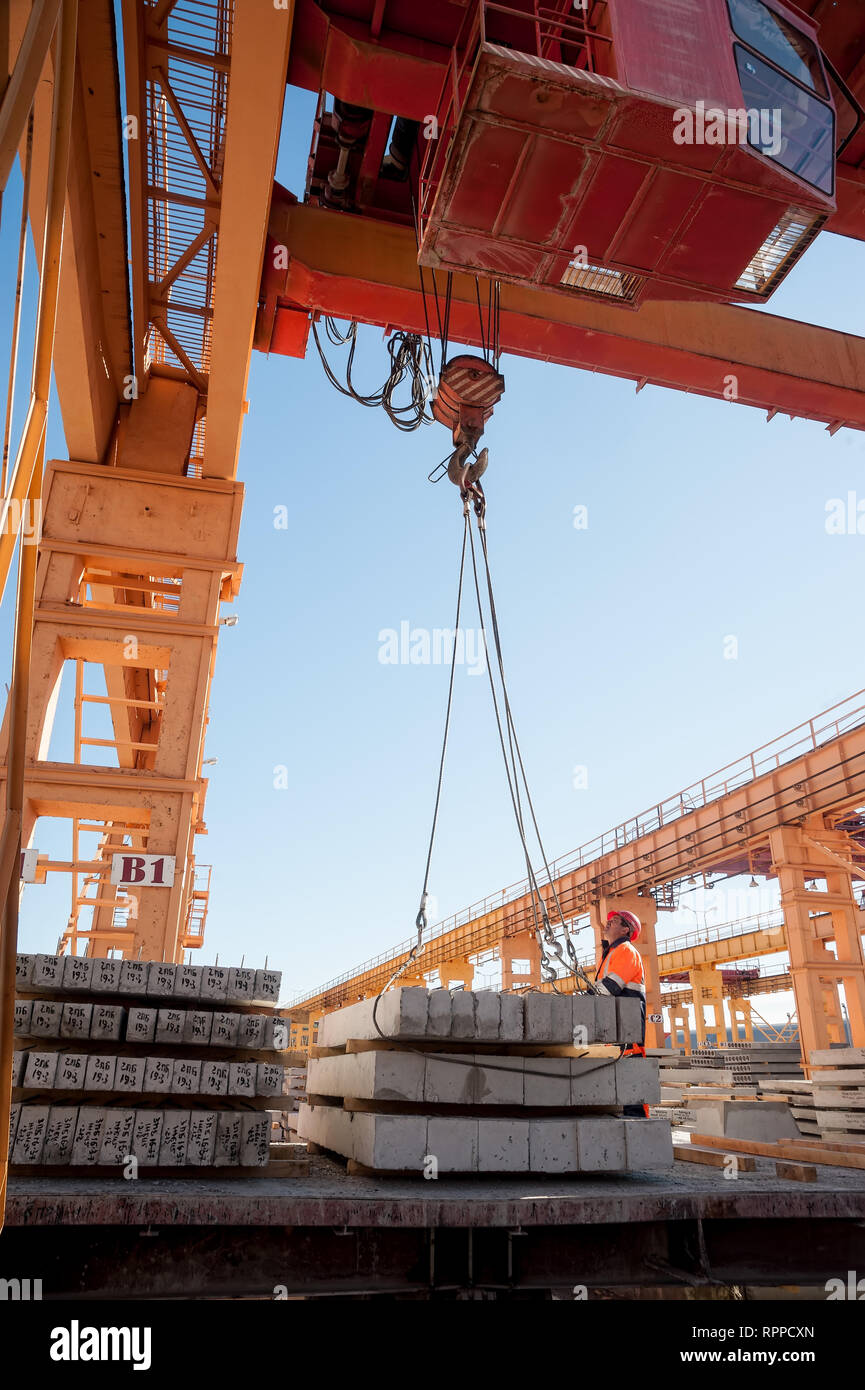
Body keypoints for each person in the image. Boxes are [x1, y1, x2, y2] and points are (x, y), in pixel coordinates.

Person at [593, 910, 648, 1117]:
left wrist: (583, 1001)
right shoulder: (611, 953)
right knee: (620, 1077)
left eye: (613, 921)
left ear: (626, 929)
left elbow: (610, 987)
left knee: (632, 1079)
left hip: (627, 1027)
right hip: (615, 1026)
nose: (607, 923)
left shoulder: (626, 951)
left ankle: (639, 1127)